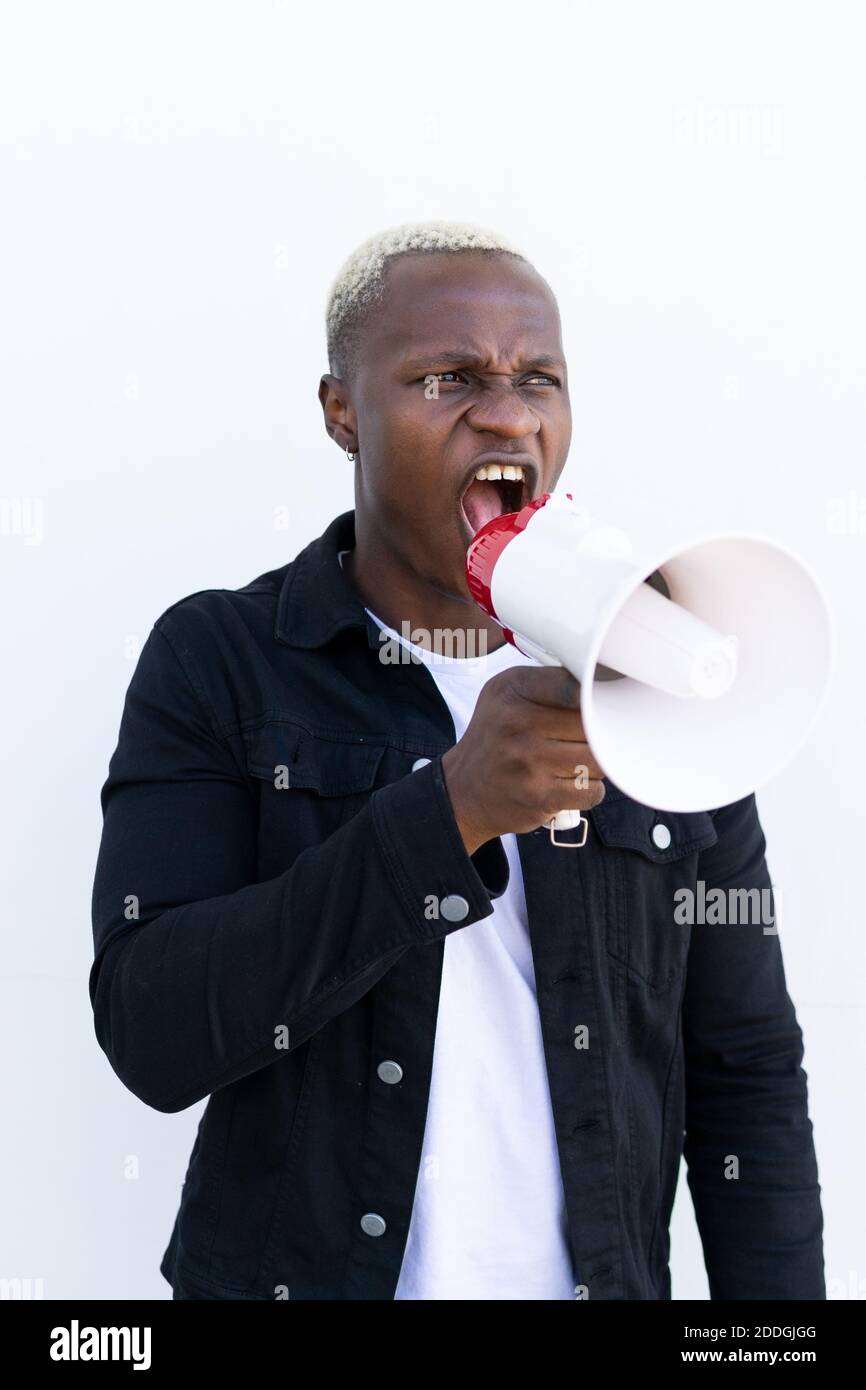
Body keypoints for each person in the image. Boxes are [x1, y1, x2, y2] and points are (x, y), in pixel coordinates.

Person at [89, 221, 824, 1300]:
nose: (507, 410)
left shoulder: (657, 672)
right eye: (446, 378)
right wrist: (450, 813)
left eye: (539, 377)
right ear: (341, 410)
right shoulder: (221, 662)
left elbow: (744, 1072)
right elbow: (153, 1031)